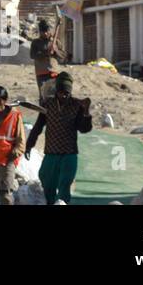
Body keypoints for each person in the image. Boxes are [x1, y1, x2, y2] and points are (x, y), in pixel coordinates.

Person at [25, 72, 93, 204]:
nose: (64, 95)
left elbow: (84, 129)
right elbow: (38, 127)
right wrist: (29, 145)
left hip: (69, 154)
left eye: (67, 93)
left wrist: (86, 112)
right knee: (46, 180)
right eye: (61, 92)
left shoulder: (77, 106)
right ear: (57, 90)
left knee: (64, 185)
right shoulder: (47, 105)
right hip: (51, 152)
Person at [30, 19, 65, 102]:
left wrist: (56, 50)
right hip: (41, 74)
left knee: (54, 96)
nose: (45, 33)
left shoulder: (56, 42)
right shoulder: (36, 42)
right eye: (43, 31)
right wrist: (45, 53)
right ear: (40, 32)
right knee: (43, 97)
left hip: (53, 73)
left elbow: (63, 56)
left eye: (47, 31)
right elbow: (32, 55)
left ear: (49, 30)